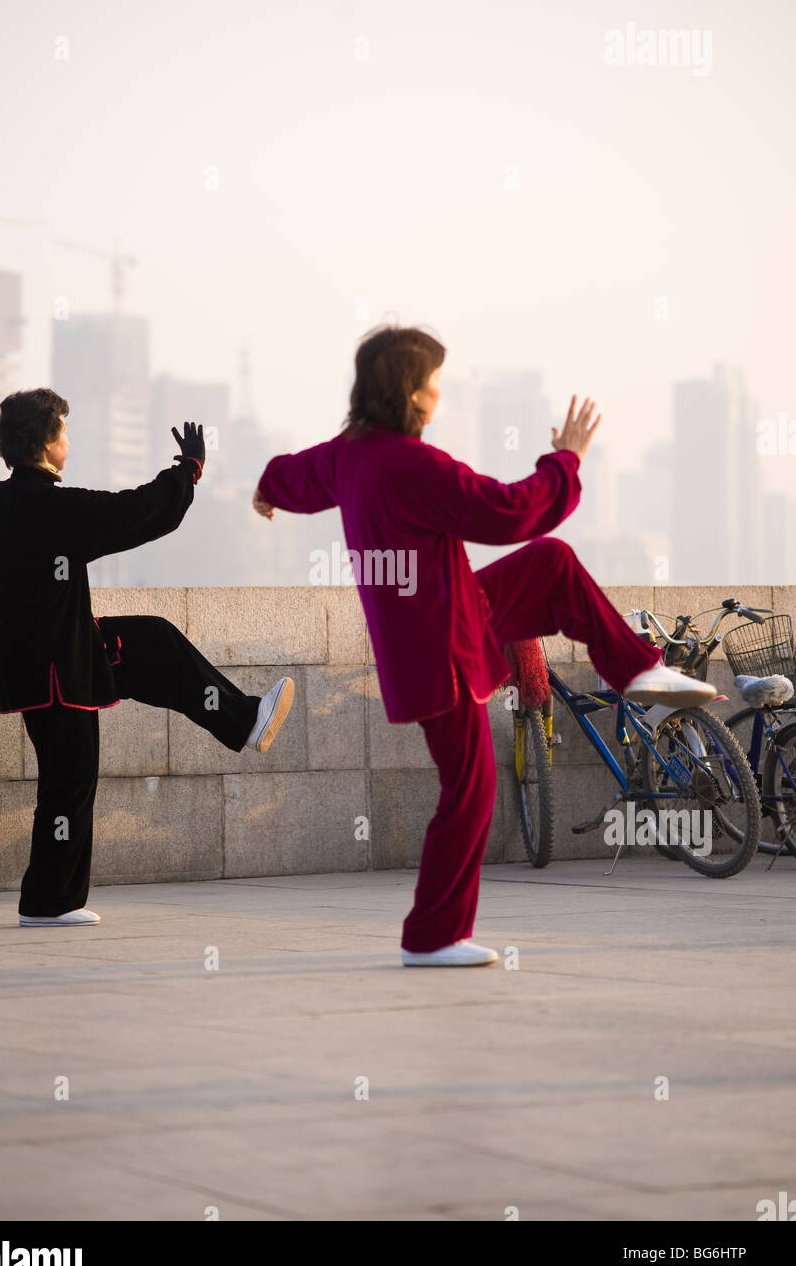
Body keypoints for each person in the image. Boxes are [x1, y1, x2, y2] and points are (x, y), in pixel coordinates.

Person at [252, 325, 716, 968]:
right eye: (433, 383)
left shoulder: (347, 456)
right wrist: (566, 460)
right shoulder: (414, 466)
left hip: (450, 616)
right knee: (469, 789)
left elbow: (291, 474)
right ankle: (431, 937)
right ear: (410, 393)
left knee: (552, 563)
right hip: (439, 644)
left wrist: (267, 489)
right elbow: (509, 511)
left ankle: (637, 670)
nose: (438, 395)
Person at [0, 389, 295, 928]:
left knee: (152, 640)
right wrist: (189, 470)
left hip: (56, 657)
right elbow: (139, 511)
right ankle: (47, 904)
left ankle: (245, 719)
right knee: (68, 779)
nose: (69, 439)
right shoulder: (58, 509)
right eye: (63, 430)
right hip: (58, 674)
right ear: (47, 443)